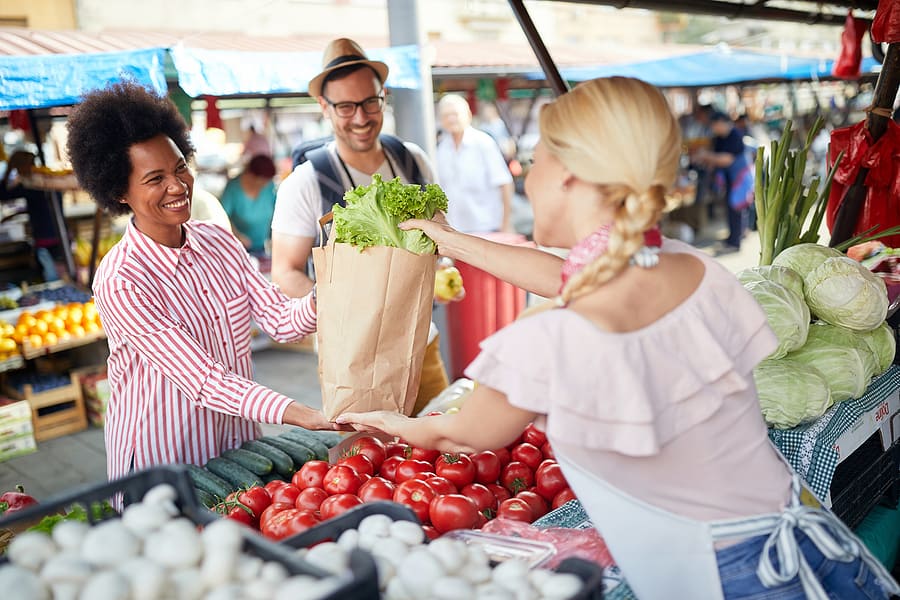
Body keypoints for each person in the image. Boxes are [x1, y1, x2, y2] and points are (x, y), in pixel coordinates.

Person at [337, 77, 900, 600]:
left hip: (729, 582)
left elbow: (460, 436)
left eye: (533, 159)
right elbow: (569, 272)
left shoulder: (549, 338)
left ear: (568, 175)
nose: (524, 176)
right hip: (816, 546)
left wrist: (392, 422)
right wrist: (449, 240)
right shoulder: (697, 269)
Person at [65, 81, 339, 488]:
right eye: (155, 178)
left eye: (179, 168)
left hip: (238, 447)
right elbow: (203, 380)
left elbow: (281, 319)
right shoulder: (121, 279)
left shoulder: (218, 241)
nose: (177, 186)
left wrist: (333, 290)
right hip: (164, 458)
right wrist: (300, 414)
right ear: (120, 191)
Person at [271, 37, 449, 412]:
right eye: (346, 106)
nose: (361, 118)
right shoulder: (305, 182)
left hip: (422, 345)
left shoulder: (413, 162)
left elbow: (439, 243)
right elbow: (285, 272)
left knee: (442, 451)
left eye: (370, 102)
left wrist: (442, 273)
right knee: (372, 464)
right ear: (324, 107)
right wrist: (342, 310)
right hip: (352, 363)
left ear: (382, 95)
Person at [436, 94, 514, 234]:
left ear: (468, 115)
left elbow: (505, 183)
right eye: (446, 115)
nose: (451, 119)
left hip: (486, 228)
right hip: (455, 229)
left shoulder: (484, 143)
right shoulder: (442, 148)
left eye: (455, 114)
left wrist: (506, 223)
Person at [695, 112, 754, 254]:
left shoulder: (735, 135)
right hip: (729, 178)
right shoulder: (719, 138)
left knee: (737, 208)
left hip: (740, 177)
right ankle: (732, 238)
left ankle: (735, 242)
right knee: (731, 209)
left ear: (721, 122)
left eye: (715, 125)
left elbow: (727, 159)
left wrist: (706, 156)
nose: (713, 128)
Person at [221, 154, 277, 255]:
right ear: (251, 175)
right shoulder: (233, 188)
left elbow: (277, 210)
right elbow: (222, 216)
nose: (265, 184)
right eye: (263, 181)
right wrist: (237, 235)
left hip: (262, 247)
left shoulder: (269, 186)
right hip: (238, 248)